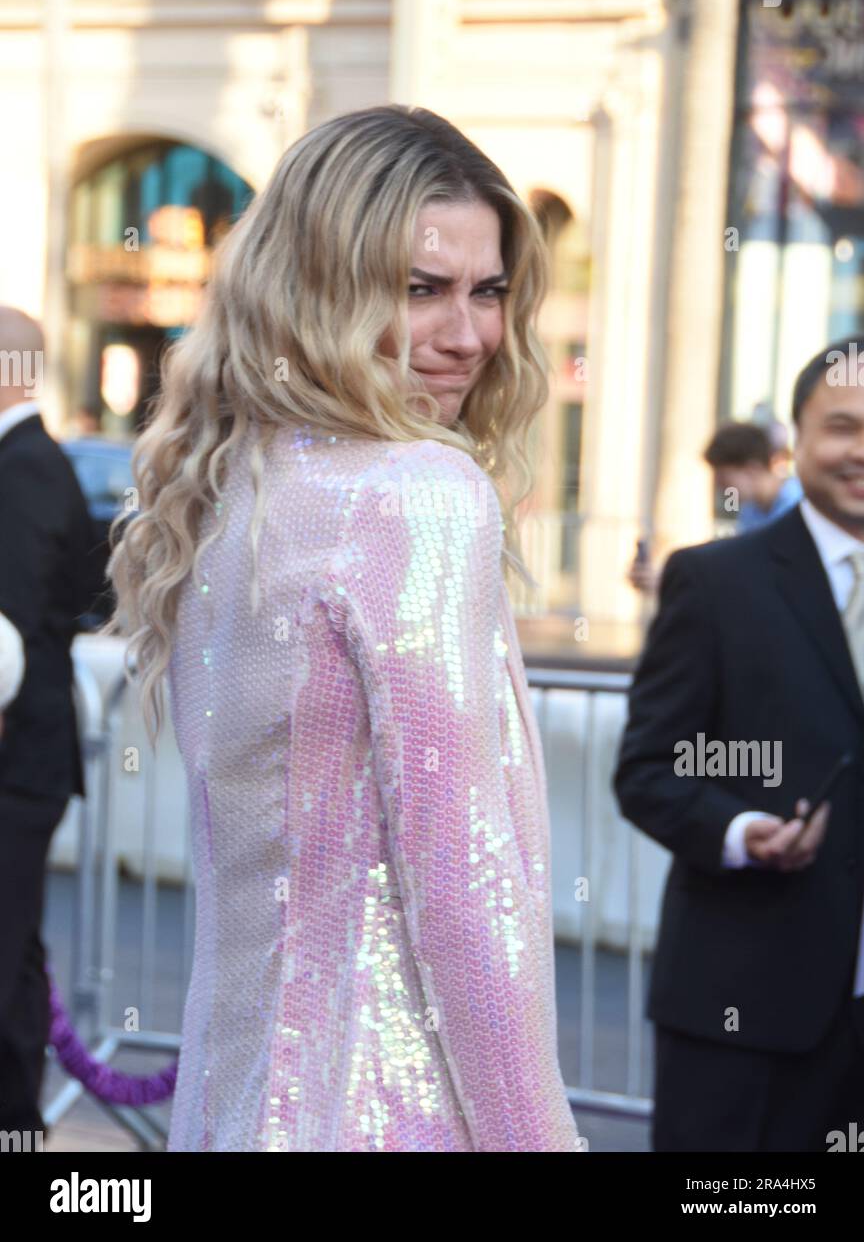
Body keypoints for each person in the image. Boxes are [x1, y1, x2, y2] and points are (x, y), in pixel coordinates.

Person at [105, 104, 581, 1152]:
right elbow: (464, 888)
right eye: (419, 290)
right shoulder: (417, 494)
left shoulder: (224, 492)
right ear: (317, 286)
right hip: (387, 1117)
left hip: (233, 1111)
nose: (468, 336)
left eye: (488, 290)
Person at [614, 334, 864, 1152]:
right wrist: (738, 831)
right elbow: (653, 768)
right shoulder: (717, 584)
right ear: (795, 440)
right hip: (748, 1014)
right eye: (843, 427)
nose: (863, 451)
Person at [0, 306, 97, 1138]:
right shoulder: (34, 463)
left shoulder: (22, 468)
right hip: (27, 758)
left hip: (13, 762)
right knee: (16, 955)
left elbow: (7, 631)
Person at [628, 419, 802, 595]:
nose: (724, 492)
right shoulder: (750, 511)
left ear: (752, 470)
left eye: (727, 484)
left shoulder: (797, 505)